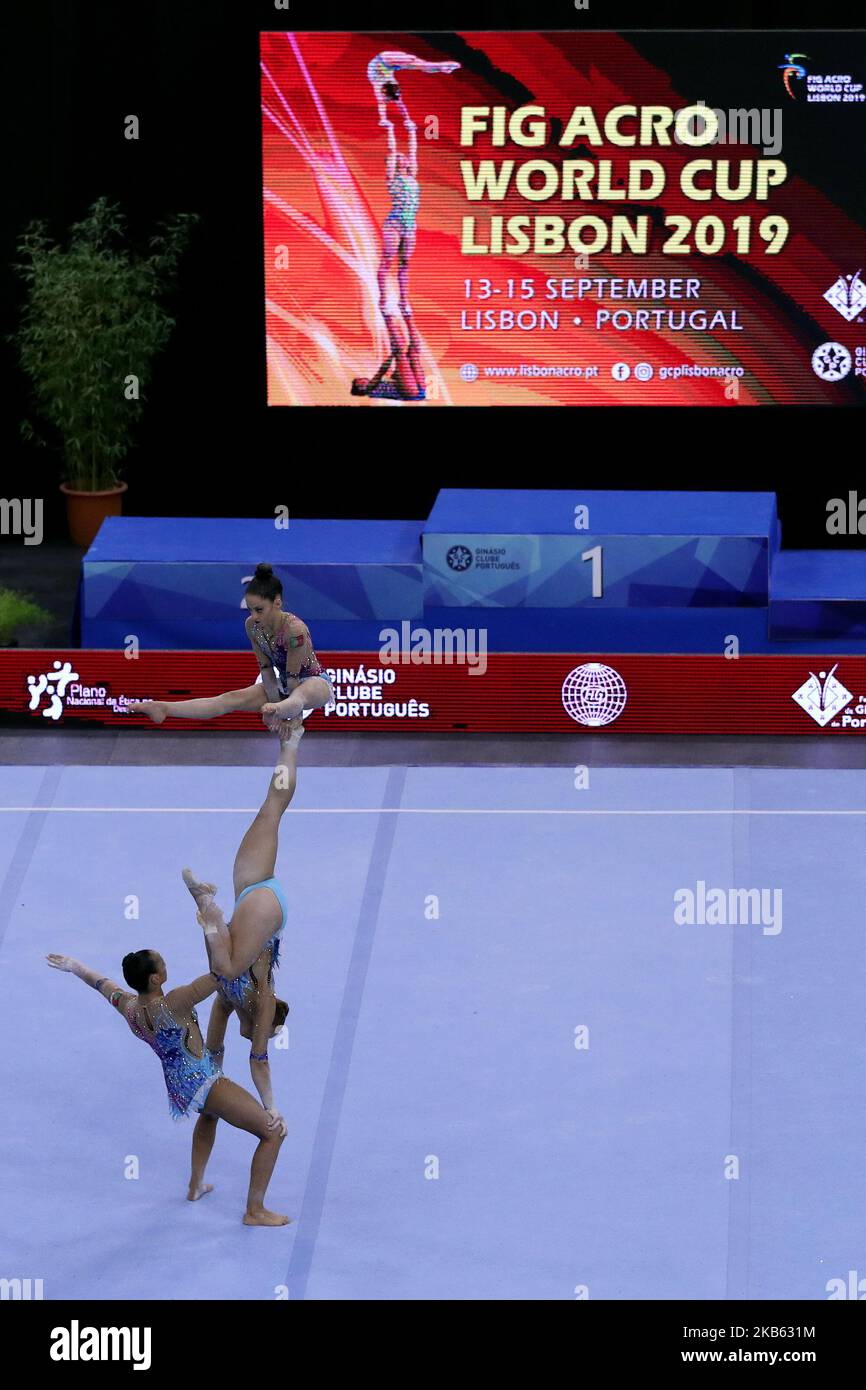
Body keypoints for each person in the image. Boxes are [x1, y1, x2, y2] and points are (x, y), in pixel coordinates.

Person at [45, 948, 290, 1226]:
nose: (166, 965)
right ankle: (255, 1210)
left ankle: (195, 1186)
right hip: (205, 1082)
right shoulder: (175, 1002)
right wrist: (252, 944)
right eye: (162, 964)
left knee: (209, 1115)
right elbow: (223, 973)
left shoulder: (130, 1008)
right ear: (155, 979)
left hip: (180, 1087)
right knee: (272, 1133)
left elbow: (101, 984)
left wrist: (74, 966)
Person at [128, 563, 334, 727]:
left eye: (259, 610)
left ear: (277, 603)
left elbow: (293, 680)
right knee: (230, 698)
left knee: (299, 695)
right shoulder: (252, 626)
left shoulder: (294, 630)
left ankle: (283, 710)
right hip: (282, 685)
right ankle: (163, 708)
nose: (253, 616)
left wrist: (282, 713)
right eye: (250, 609)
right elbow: (267, 671)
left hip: (313, 683)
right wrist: (271, 705)